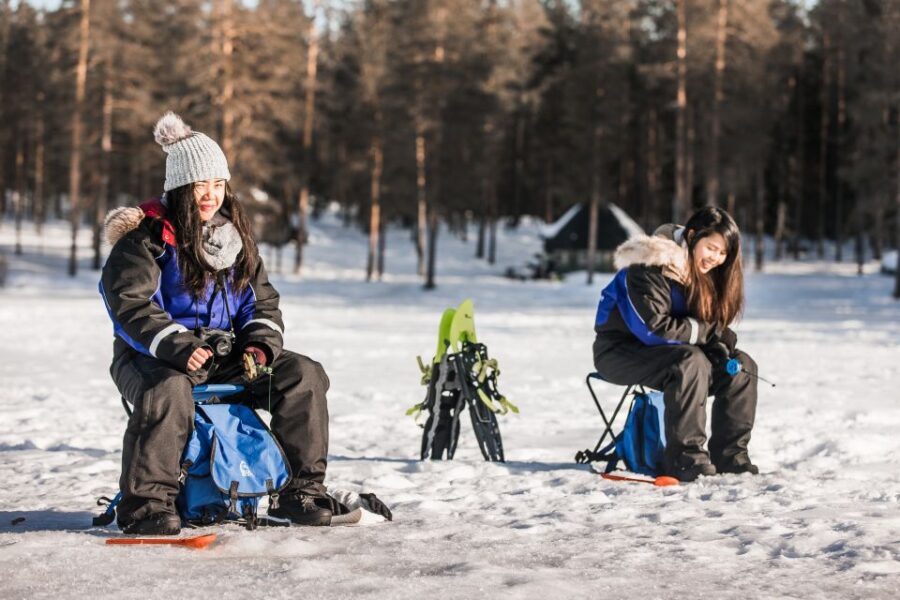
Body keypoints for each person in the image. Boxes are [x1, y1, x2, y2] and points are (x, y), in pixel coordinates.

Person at [100, 112, 332, 534]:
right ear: (179, 187)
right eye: (200, 184)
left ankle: (300, 492)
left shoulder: (235, 238)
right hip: (152, 358)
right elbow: (130, 305)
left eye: (218, 184)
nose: (210, 195)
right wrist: (180, 347)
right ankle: (147, 506)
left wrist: (259, 346)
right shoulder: (146, 239)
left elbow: (262, 303)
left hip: (224, 356)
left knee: (304, 374)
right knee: (167, 391)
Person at [592, 207, 758, 482]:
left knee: (740, 367)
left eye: (722, 253)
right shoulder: (648, 265)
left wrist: (719, 342)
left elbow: (702, 329)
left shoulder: (701, 272)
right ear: (692, 236)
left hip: (677, 355)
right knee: (690, 361)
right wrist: (708, 334)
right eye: (711, 248)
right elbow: (652, 330)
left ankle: (731, 459)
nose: (716, 258)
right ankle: (685, 458)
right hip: (620, 353)